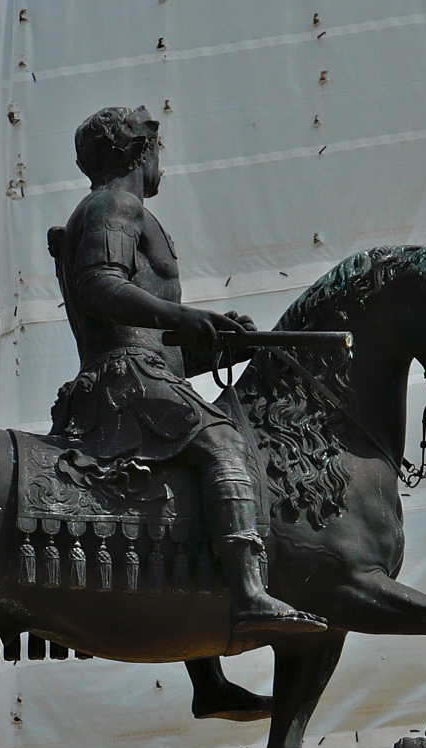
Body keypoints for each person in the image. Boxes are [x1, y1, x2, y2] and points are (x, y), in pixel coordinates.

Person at [47, 105, 326, 642]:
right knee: (223, 443)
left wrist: (219, 346)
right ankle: (248, 593)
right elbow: (99, 286)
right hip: (126, 381)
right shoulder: (116, 203)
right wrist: (184, 316)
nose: (162, 165)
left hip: (139, 370)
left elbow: (147, 336)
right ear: (139, 152)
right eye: (157, 151)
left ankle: (206, 670)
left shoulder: (112, 209)